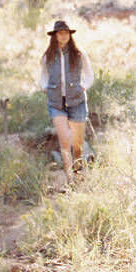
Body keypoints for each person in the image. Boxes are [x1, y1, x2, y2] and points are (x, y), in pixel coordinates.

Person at [38, 19, 94, 186]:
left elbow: (89, 74)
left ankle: (78, 174)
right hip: (56, 103)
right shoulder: (49, 55)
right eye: (60, 33)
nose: (64, 36)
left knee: (77, 146)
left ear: (70, 34)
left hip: (77, 102)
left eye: (66, 33)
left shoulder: (79, 54)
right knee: (64, 141)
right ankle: (70, 181)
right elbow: (43, 75)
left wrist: (83, 87)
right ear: (55, 36)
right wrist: (44, 87)